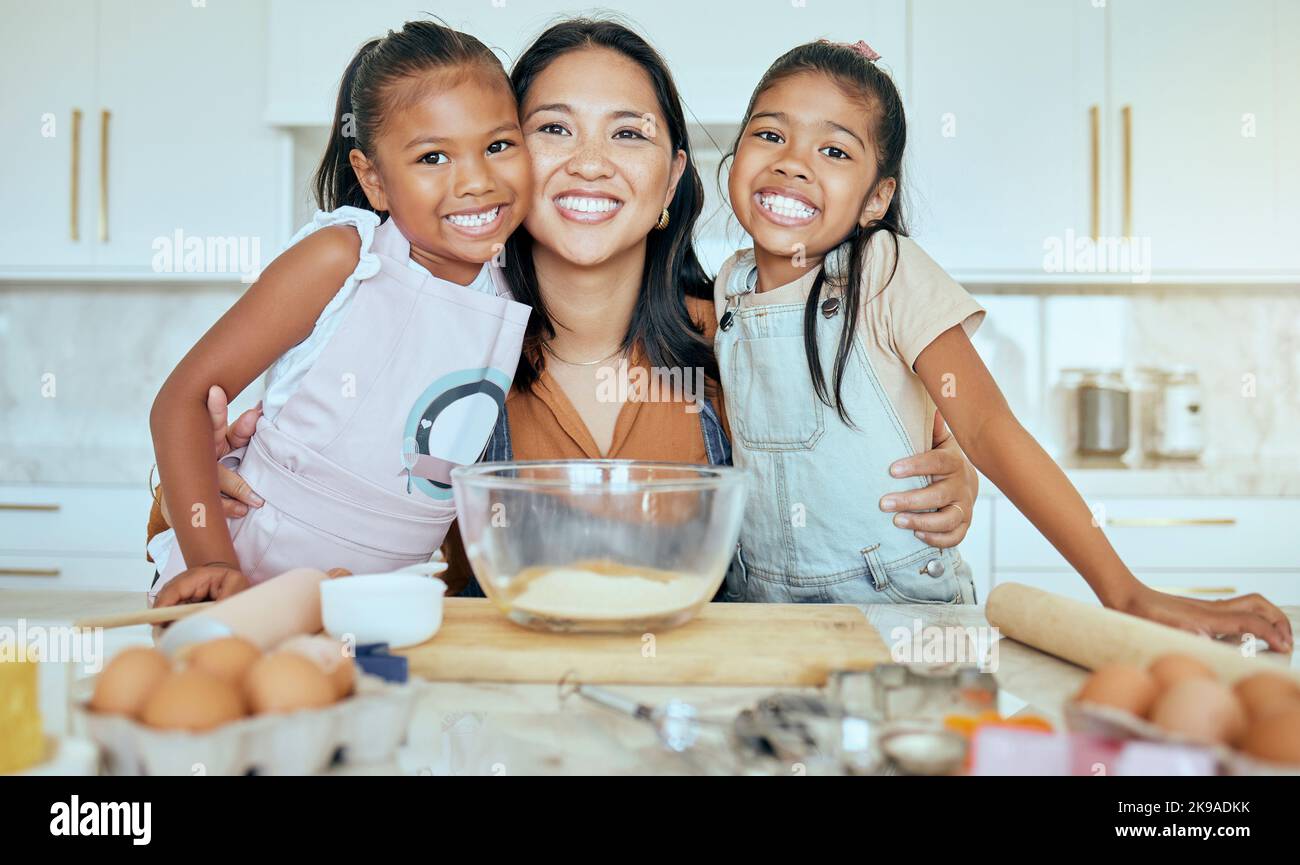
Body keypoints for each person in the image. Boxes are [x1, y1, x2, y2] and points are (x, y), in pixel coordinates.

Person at [711, 38, 1293, 647]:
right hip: (764, 613)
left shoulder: (886, 271)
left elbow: (986, 428)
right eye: (771, 135)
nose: (792, 163)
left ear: (876, 199)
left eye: (833, 149)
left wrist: (1124, 593)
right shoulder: (729, 287)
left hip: (901, 613)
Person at [147, 20, 532, 606]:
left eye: (498, 146)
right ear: (373, 179)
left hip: (377, 600)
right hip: (250, 571)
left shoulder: (510, 283)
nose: (477, 181)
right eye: (433, 157)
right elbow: (181, 400)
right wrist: (211, 561)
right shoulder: (344, 257)